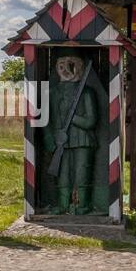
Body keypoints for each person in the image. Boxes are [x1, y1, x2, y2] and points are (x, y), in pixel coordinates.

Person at [44, 53, 97, 215]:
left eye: (70, 64)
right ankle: (62, 204)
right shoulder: (52, 93)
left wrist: (72, 117)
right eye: (61, 65)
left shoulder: (86, 92)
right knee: (63, 174)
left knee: (82, 173)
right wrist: (50, 139)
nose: (65, 69)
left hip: (82, 140)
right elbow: (47, 120)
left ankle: (81, 205)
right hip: (61, 141)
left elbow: (90, 121)